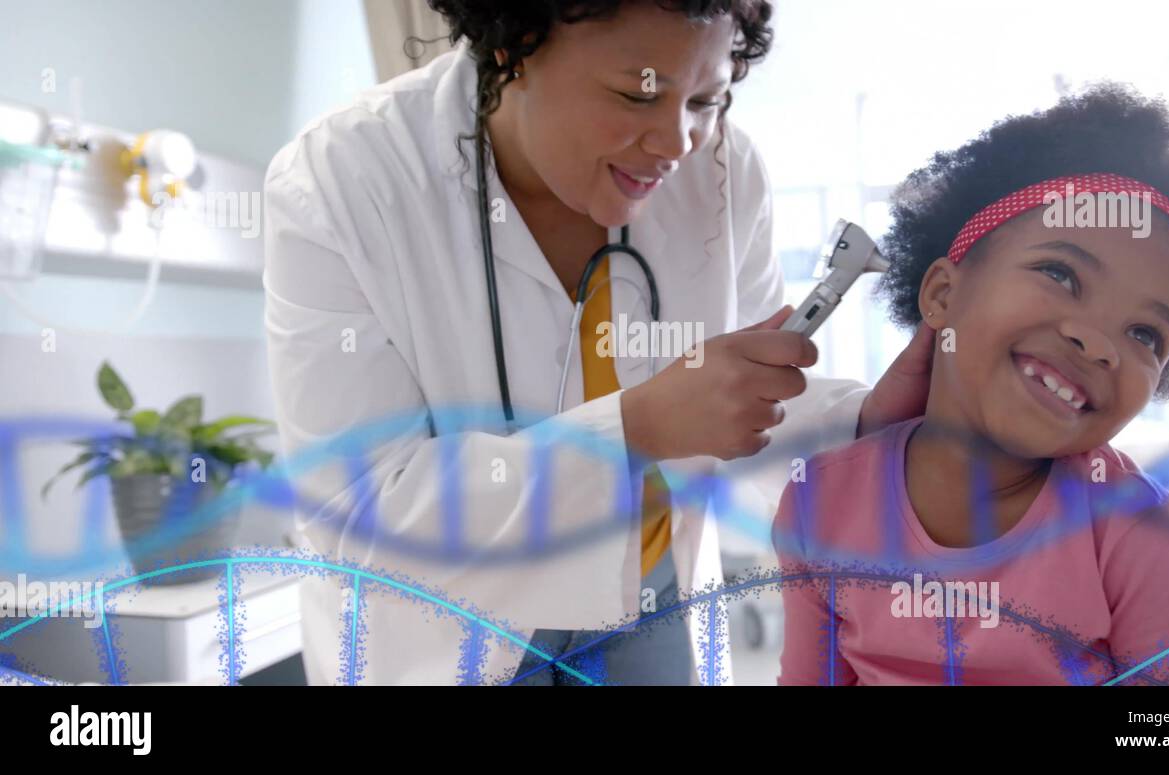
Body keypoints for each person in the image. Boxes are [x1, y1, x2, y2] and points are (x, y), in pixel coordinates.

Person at [263, 1, 932, 685]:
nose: (678, 142)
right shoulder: (341, 182)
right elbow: (356, 516)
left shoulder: (724, 170)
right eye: (635, 94)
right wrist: (637, 427)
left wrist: (861, 426)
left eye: (707, 97)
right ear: (512, 47)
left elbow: (746, 399)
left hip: (651, 597)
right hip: (444, 631)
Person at [773, 84, 1169, 685]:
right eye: (1060, 273)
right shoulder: (820, 504)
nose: (1098, 342)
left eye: (1145, 334)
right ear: (942, 294)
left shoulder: (1134, 535)